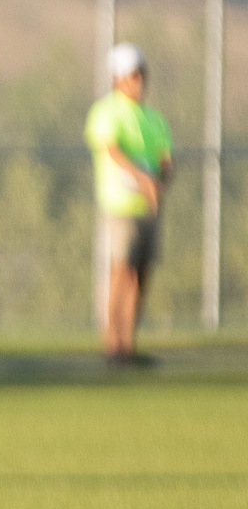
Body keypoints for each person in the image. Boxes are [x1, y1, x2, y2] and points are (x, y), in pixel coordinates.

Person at [85, 43, 171, 367]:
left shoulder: (153, 118)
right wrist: (142, 179)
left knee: (142, 274)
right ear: (119, 78)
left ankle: (129, 345)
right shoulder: (107, 111)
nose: (139, 82)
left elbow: (165, 157)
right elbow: (112, 150)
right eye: (134, 76)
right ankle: (114, 345)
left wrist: (160, 181)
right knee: (121, 272)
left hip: (149, 207)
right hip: (120, 206)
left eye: (142, 75)